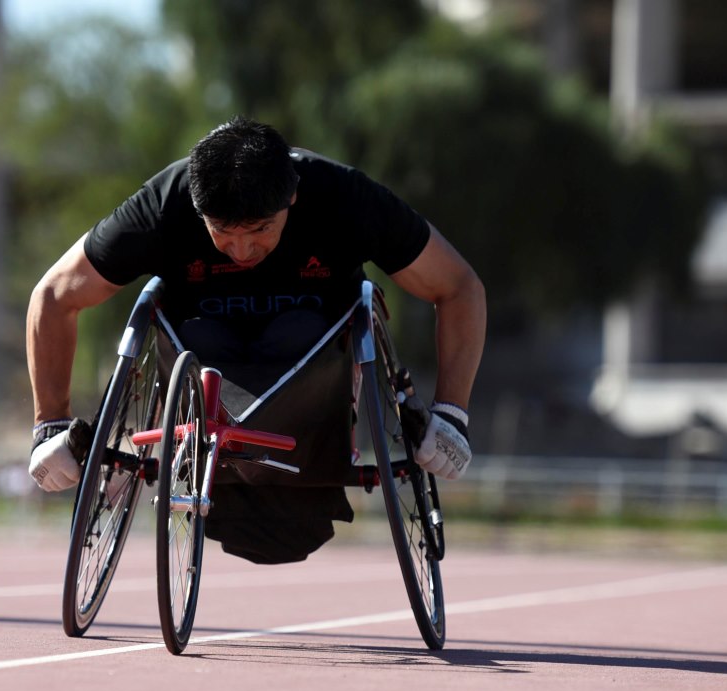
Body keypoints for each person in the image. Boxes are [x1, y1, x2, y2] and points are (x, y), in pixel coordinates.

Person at [27, 117, 485, 560]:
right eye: (222, 232)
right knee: (204, 339)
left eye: (260, 230)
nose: (242, 251)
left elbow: (459, 286)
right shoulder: (166, 203)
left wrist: (451, 413)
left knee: (297, 331)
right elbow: (54, 294)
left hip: (309, 376)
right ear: (198, 209)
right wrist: (49, 424)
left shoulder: (345, 198)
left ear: (292, 196)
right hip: (205, 368)